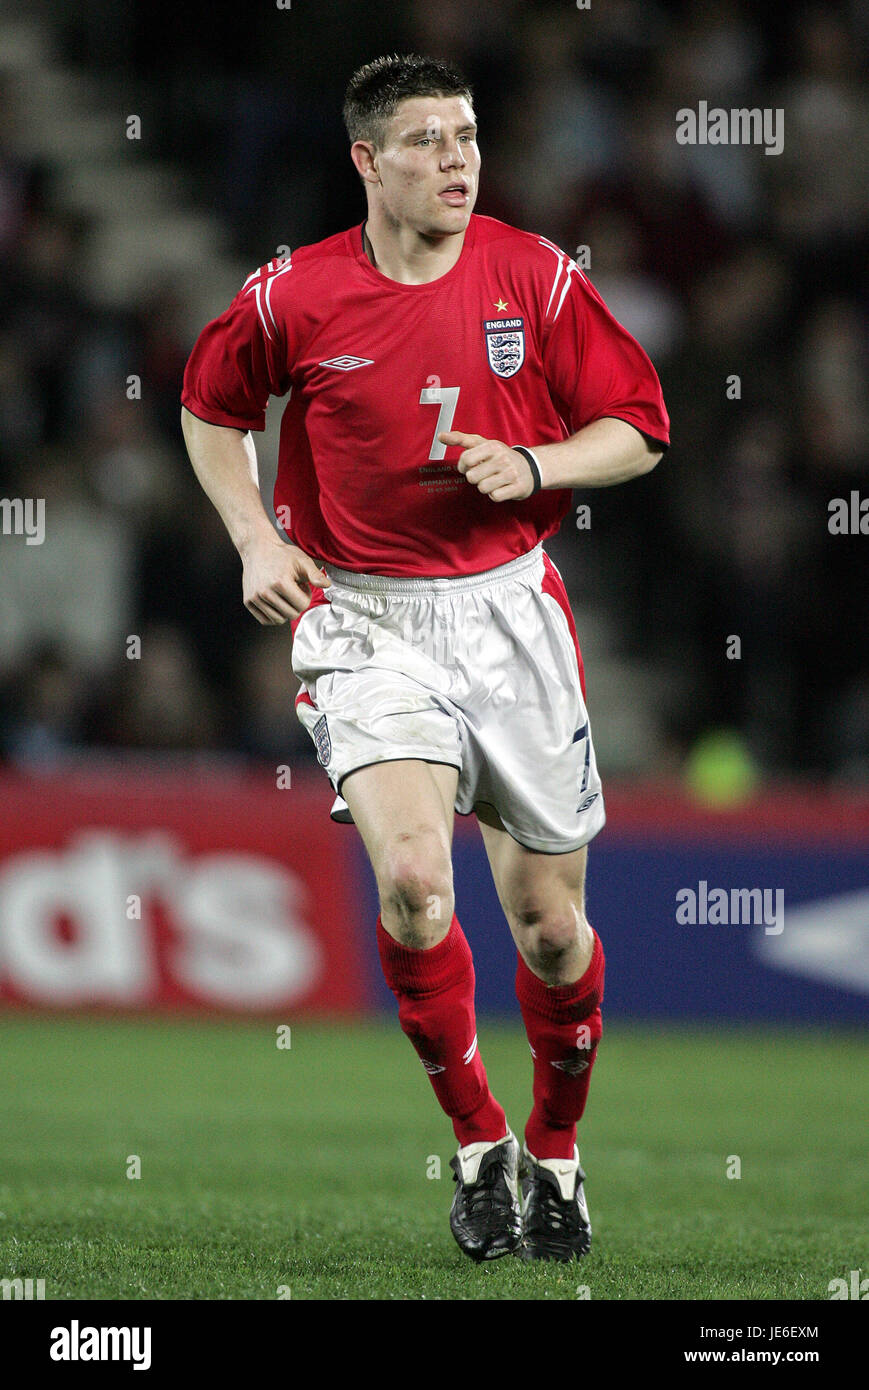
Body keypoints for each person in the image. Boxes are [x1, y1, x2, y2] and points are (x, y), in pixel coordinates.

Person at [181, 53, 669, 1263]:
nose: (457, 160)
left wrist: (543, 465)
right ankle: (474, 1142)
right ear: (366, 160)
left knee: (550, 929)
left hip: (507, 616)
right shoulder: (294, 296)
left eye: (466, 137)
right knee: (411, 877)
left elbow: (641, 426)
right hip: (362, 619)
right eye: (427, 142)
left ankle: (555, 1153)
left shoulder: (534, 278)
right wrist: (254, 537)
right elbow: (208, 404)